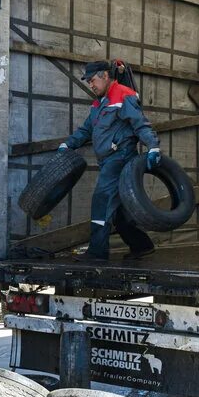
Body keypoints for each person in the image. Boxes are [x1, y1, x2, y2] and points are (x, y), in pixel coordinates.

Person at [60, 60, 160, 261]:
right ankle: (142, 245)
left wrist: (153, 146)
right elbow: (86, 129)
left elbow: (140, 124)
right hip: (107, 161)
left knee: (102, 200)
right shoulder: (99, 103)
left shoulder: (123, 95)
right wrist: (68, 144)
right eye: (88, 82)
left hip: (120, 158)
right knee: (119, 210)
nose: (91, 85)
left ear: (105, 75)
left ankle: (97, 252)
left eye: (92, 80)